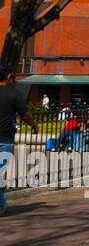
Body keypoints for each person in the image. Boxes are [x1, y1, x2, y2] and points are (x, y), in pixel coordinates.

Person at [0, 67, 39, 216]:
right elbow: (25, 115)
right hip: (4, 140)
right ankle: (1, 204)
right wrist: (34, 126)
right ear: (9, 76)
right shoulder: (13, 94)